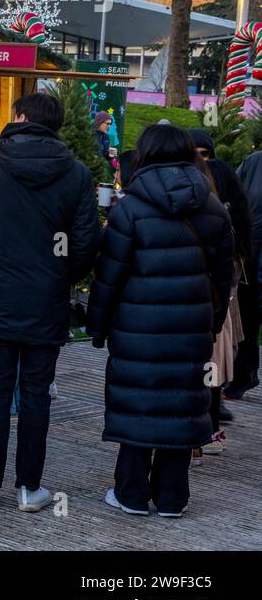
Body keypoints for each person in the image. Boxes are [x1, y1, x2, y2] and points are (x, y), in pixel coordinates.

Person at [0, 91, 99, 512]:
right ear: (56, 125)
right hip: (46, 298)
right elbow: (87, 242)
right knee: (37, 394)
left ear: (18, 118)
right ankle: (29, 488)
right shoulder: (75, 173)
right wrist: (60, 273)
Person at [87, 124, 233, 517]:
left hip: (137, 328)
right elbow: (224, 277)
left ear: (146, 154)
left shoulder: (130, 207)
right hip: (192, 327)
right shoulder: (214, 207)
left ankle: (131, 493)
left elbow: (109, 274)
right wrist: (212, 321)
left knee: (138, 404)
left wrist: (96, 325)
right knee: (183, 407)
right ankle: (172, 498)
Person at [188, 129, 248, 450]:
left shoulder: (220, 180)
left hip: (213, 297)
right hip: (209, 299)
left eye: (204, 153)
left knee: (212, 358)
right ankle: (203, 432)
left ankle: (205, 429)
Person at [231, 148, 262, 399]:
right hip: (252, 252)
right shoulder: (253, 162)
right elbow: (235, 199)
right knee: (247, 315)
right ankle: (244, 376)